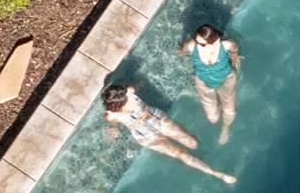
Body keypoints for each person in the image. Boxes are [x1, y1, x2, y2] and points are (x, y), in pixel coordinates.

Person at [101, 83, 236, 184]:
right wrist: (114, 131)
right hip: (147, 137)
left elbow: (132, 90)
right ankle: (216, 174)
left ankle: (205, 154)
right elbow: (115, 126)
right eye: (125, 100)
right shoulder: (112, 115)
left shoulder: (129, 92)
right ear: (117, 105)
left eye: (125, 95)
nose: (128, 98)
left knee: (193, 143)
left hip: (159, 120)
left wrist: (139, 87)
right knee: (180, 154)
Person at [177, 24, 241, 144]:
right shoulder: (192, 46)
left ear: (215, 40)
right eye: (197, 41)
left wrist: (235, 58)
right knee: (213, 118)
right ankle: (217, 103)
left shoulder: (226, 45)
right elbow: (184, 50)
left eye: (201, 43)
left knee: (230, 113)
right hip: (203, 81)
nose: (198, 44)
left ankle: (225, 129)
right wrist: (181, 51)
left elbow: (234, 50)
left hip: (226, 79)